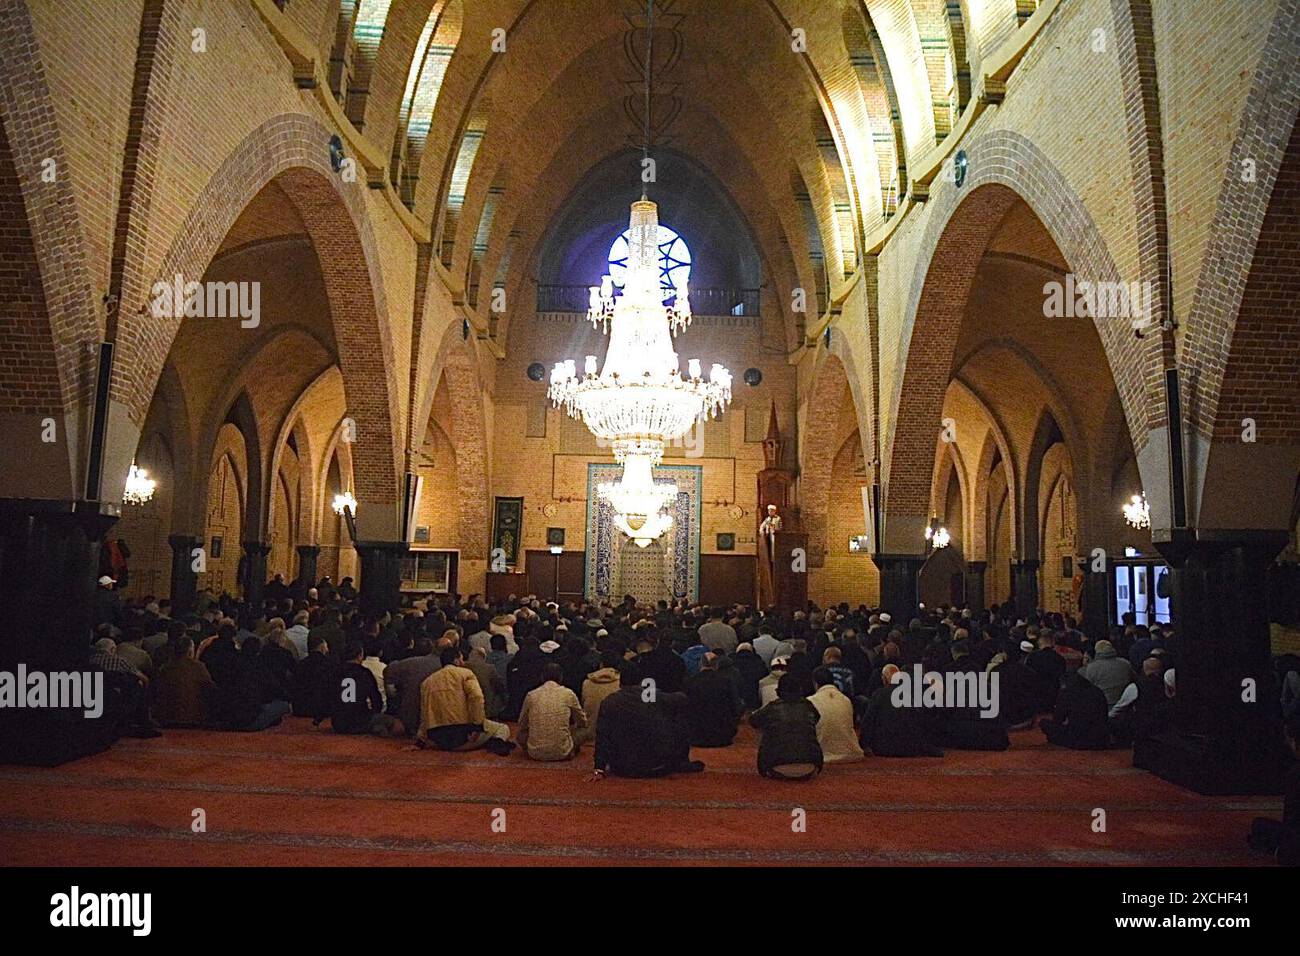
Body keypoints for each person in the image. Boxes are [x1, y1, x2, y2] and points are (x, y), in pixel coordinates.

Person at [593, 664, 702, 778]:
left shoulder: (610, 702)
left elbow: (602, 736)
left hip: (622, 767)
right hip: (659, 766)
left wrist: (599, 767)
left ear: (620, 684)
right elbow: (681, 698)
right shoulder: (654, 697)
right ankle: (681, 761)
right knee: (678, 717)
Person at [418, 646, 512, 752]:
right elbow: (477, 697)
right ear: (456, 660)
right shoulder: (466, 674)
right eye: (462, 659)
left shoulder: (427, 682)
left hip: (438, 738)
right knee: (503, 728)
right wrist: (477, 727)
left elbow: (424, 713)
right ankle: (495, 744)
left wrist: (420, 741)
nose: (463, 662)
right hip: (463, 735)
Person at [748, 672, 823, 780]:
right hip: (811, 766)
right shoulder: (808, 706)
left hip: (776, 767)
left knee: (764, 728)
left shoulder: (772, 707)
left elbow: (753, 721)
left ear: (778, 691)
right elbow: (816, 719)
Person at [859, 665, 942, 757]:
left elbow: (868, 721)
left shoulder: (879, 694)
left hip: (883, 747)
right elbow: (918, 723)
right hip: (908, 747)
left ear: (884, 679)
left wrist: (864, 744)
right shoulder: (909, 694)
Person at [331, 640, 403, 736]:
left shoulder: (336, 672)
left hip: (339, 722)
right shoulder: (365, 673)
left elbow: (328, 695)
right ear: (360, 655)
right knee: (392, 722)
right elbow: (376, 699)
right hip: (361, 720)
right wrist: (375, 713)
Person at [518, 663, 587, 761]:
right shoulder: (568, 694)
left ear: (542, 677)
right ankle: (568, 749)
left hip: (534, 752)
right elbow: (582, 721)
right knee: (584, 731)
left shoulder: (531, 695)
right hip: (562, 751)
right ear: (561, 677)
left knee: (520, 735)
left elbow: (521, 723)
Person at [149, 635, 214, 728]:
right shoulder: (198, 667)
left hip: (167, 717)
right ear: (190, 651)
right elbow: (210, 687)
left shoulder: (165, 668)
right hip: (193, 717)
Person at [682, 652, 743, 747]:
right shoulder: (726, 682)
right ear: (716, 665)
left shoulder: (689, 682)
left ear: (700, 664)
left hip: (696, 737)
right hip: (723, 737)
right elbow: (736, 706)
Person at [383, 637, 441, 734]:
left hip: (410, 716)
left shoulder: (407, 664)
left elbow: (388, 671)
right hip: (434, 719)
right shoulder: (443, 665)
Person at [808, 666, 864, 763]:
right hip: (851, 753)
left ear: (815, 683)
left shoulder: (811, 701)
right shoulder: (846, 700)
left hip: (824, 754)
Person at [1041, 672, 1111, 750]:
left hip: (1077, 738)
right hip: (1099, 738)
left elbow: (1058, 720)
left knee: (1044, 723)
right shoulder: (1097, 691)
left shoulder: (1066, 694)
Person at [292, 633, 341, 723]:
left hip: (301, 708)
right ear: (322, 648)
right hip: (323, 709)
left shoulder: (301, 664)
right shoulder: (330, 665)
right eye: (326, 647)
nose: (328, 649)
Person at [577, 650, 623, 745]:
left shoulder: (587, 683)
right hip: (614, 735)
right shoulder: (621, 683)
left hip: (589, 733)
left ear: (601, 664)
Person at [1079, 639, 1135, 709]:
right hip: (1125, 705)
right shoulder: (1126, 663)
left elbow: (1087, 691)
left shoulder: (1092, 668)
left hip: (1103, 706)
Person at [465, 646, 507, 719]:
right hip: (486, 704)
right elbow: (499, 685)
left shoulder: (463, 667)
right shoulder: (489, 668)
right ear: (483, 657)